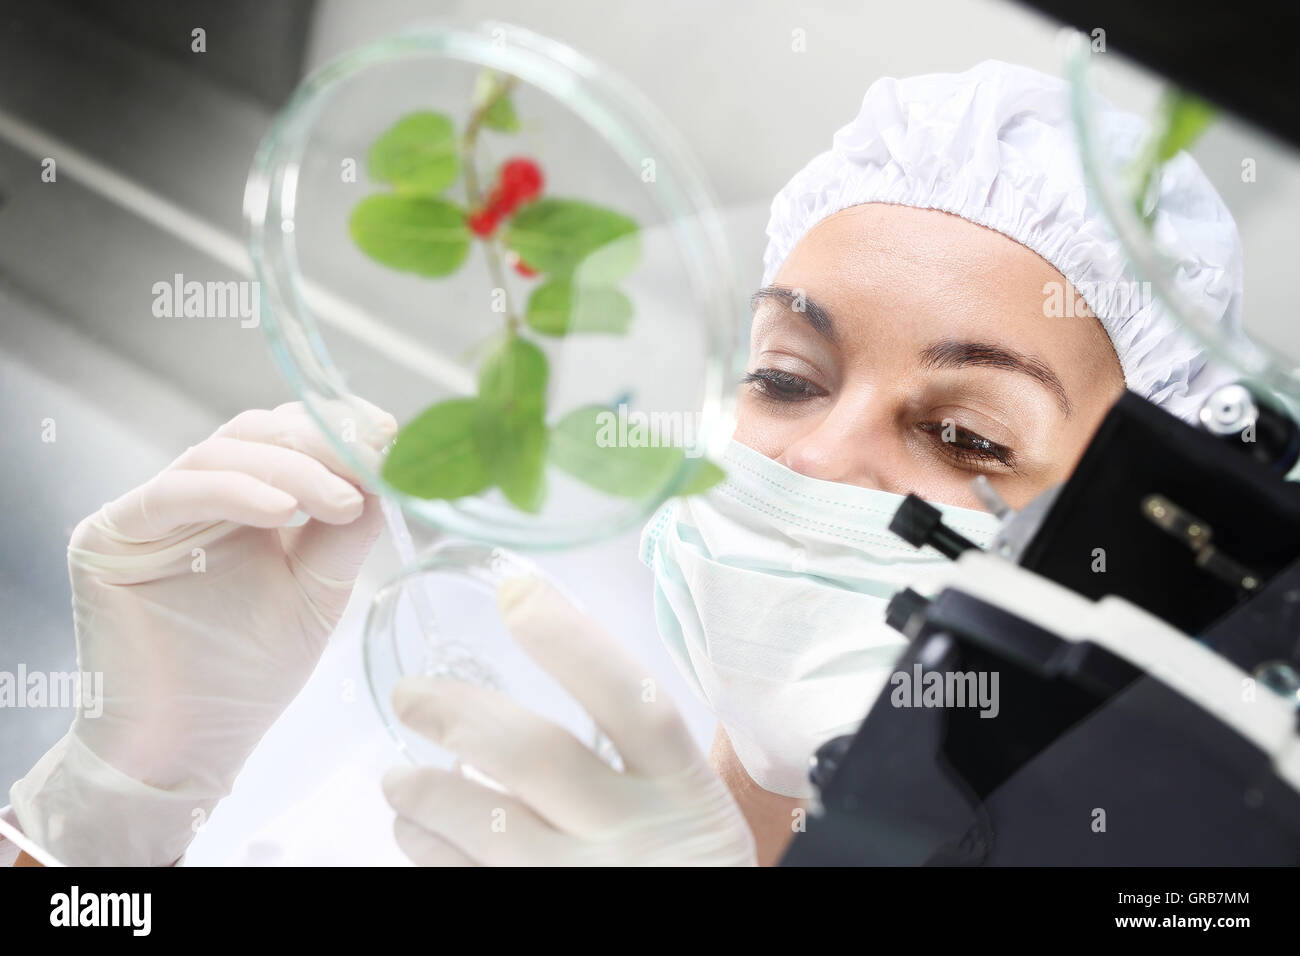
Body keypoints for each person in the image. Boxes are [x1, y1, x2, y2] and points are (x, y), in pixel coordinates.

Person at [3, 60, 1242, 867]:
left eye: (966, 435)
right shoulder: (453, 795)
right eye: (787, 377)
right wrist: (108, 816)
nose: (817, 449)